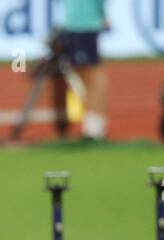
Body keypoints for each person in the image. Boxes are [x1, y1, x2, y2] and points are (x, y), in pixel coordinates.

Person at [59, 0, 108, 141]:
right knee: (85, 75)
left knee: (92, 75)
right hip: (77, 24)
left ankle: (95, 126)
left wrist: (101, 15)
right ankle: (93, 123)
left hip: (84, 25)